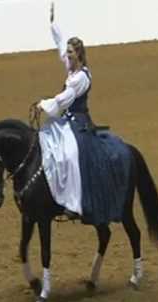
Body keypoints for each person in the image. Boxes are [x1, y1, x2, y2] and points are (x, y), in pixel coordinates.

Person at [38, 3, 131, 224]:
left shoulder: (81, 78)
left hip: (78, 122)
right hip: (66, 119)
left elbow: (65, 98)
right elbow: (61, 43)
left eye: (70, 53)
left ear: (78, 54)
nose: (66, 56)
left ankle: (74, 203)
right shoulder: (71, 66)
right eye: (67, 53)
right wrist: (53, 23)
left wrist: (45, 104)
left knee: (70, 154)